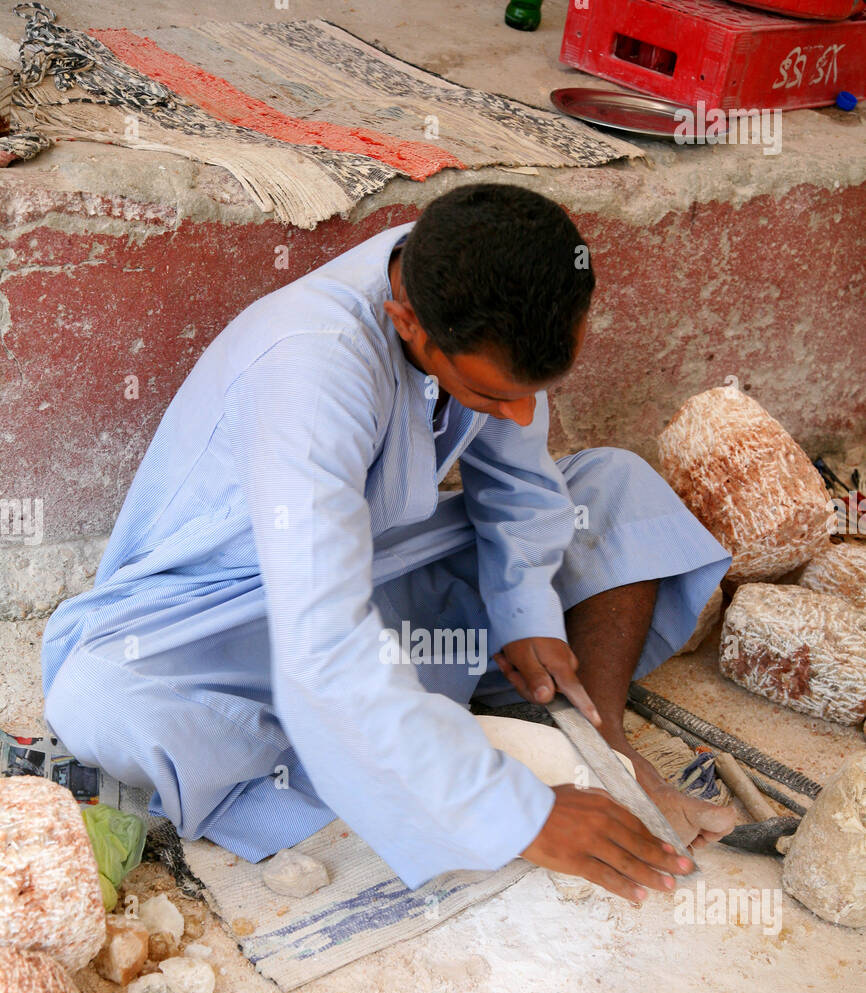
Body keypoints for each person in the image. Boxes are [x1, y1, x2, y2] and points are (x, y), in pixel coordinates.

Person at [42, 183, 734, 904]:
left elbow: (521, 488)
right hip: (227, 616)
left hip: (381, 569)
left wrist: (525, 611)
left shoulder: (480, 287)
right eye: (493, 395)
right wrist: (520, 815)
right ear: (407, 322)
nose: (520, 413)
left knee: (614, 489)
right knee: (105, 699)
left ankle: (604, 743)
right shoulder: (310, 368)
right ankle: (402, 747)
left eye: (532, 390)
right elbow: (323, 636)